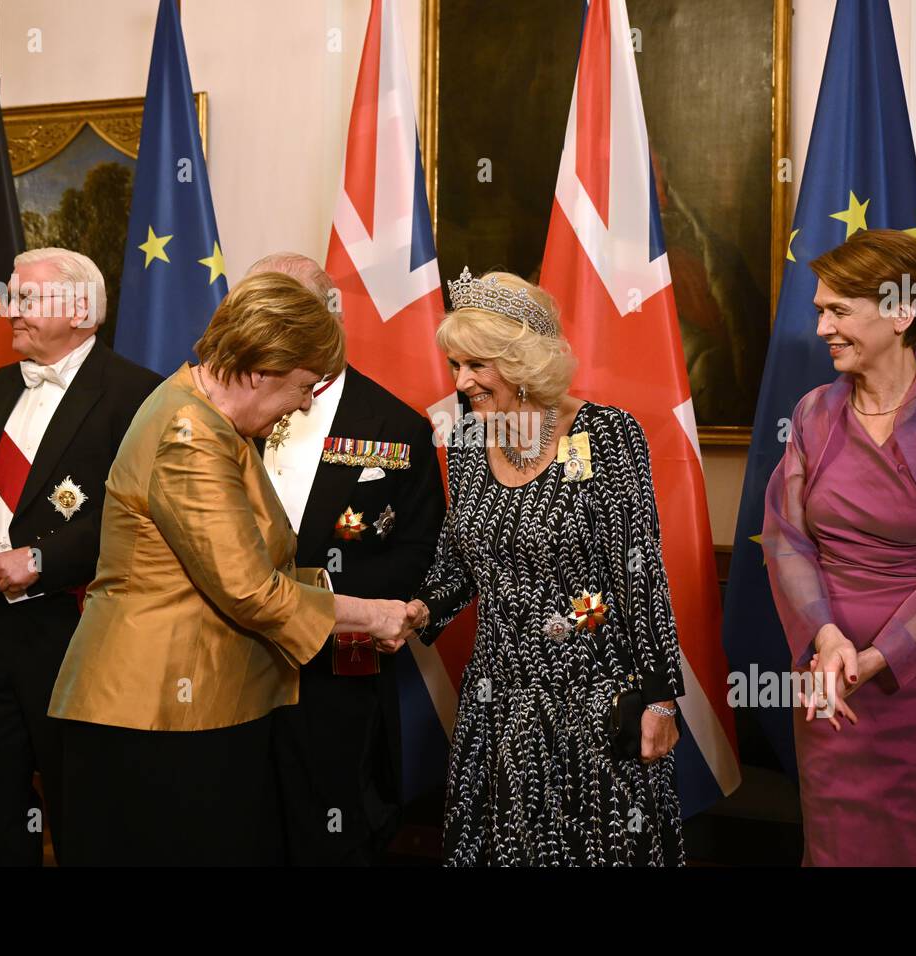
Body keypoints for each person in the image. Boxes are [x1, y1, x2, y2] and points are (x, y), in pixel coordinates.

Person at [46, 270, 409, 865]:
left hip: (197, 707)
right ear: (265, 365)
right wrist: (369, 616)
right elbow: (249, 591)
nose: (302, 404)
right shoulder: (190, 434)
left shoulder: (213, 422)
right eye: (304, 386)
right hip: (155, 714)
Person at [404, 269, 685, 866]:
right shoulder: (467, 443)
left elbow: (641, 574)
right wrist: (421, 608)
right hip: (497, 700)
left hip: (594, 700)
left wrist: (661, 700)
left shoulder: (607, 435)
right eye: (456, 365)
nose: (461, 382)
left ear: (523, 361)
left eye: (477, 364)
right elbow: (463, 558)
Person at [763, 229, 916, 866]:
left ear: (901, 313)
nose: (821, 327)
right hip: (830, 678)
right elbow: (788, 541)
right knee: (836, 843)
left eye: (838, 310)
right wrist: (825, 638)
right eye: (820, 310)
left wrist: (883, 655)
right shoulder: (814, 413)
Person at [0, 247, 162, 865]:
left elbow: (137, 516)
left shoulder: (137, 394)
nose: (10, 310)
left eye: (26, 299)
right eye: (10, 296)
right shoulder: (0, 385)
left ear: (82, 311)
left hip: (75, 631)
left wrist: (40, 559)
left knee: (81, 808)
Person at [247, 253, 446, 865]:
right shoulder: (225, 411)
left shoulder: (394, 426)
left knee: (335, 834)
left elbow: (421, 549)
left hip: (338, 670)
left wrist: (319, 597)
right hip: (230, 664)